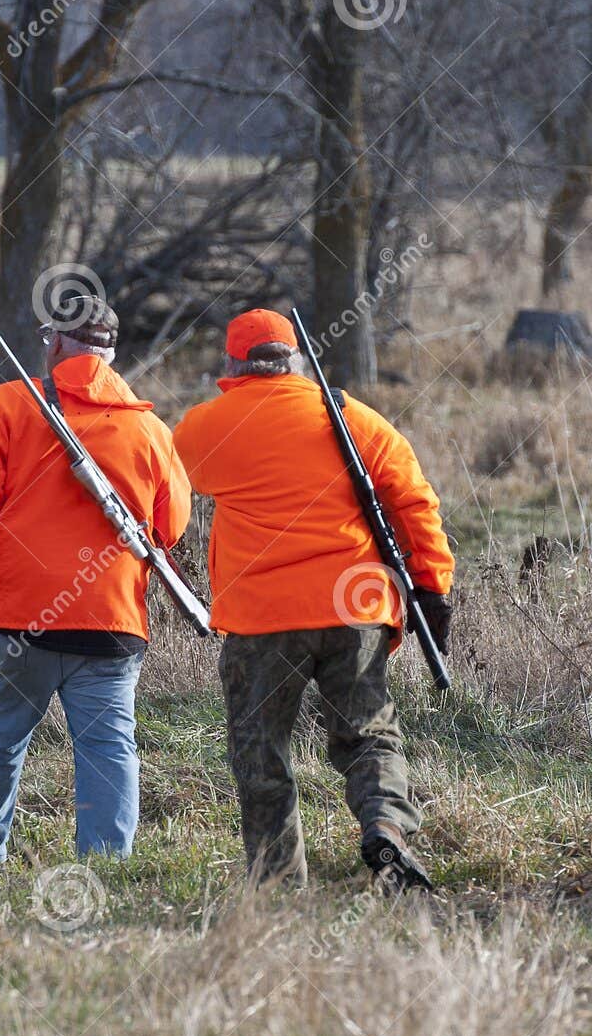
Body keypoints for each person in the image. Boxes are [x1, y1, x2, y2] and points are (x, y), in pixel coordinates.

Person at [172, 309, 454, 892]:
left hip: (263, 617)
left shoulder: (205, 427)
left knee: (261, 751)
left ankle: (279, 888)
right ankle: (386, 826)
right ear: (297, 359)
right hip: (356, 605)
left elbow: (171, 490)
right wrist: (432, 587)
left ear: (232, 365)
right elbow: (413, 499)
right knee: (369, 734)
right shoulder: (352, 417)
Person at [0, 301, 192, 866]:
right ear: (111, 353)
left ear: (54, 344)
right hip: (111, 619)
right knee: (107, 745)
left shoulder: (2, 408)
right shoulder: (150, 429)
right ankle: (106, 864)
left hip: (16, 616)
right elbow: (170, 527)